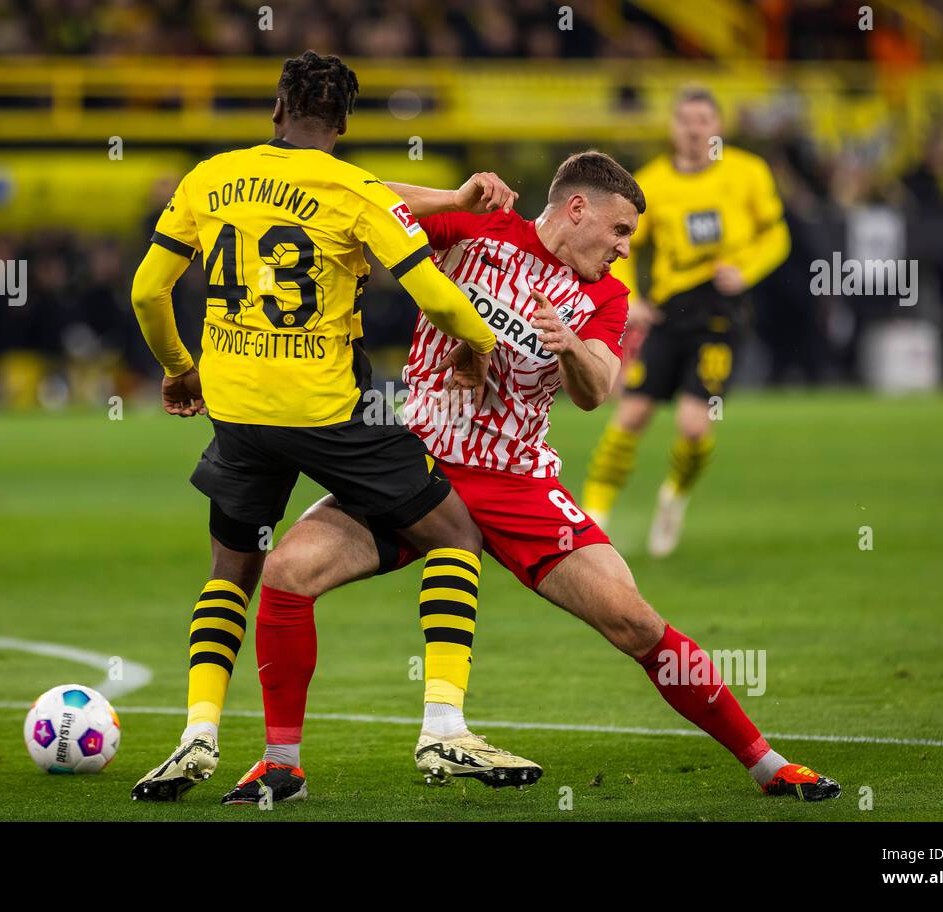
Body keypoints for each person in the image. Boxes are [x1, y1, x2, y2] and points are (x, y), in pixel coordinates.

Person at [228, 151, 839, 805]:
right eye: (620, 231)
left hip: (515, 481)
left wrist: (570, 345)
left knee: (635, 623)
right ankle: (281, 764)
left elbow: (596, 390)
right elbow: (360, 197)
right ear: (577, 209)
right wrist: (452, 196)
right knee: (289, 571)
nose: (623, 250)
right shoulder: (477, 228)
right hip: (416, 468)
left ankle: (767, 763)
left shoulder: (604, 295)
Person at [126, 50, 533, 802]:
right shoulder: (352, 189)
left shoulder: (209, 177)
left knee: (231, 573)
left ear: (277, 109)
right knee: (455, 535)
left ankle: (198, 734)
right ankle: (444, 728)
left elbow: (149, 291)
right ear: (343, 124)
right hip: (326, 411)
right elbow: (437, 297)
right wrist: (479, 346)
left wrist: (180, 367)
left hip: (237, 410)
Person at [582, 88, 790, 556]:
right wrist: (630, 295)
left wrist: (746, 270)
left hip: (721, 312)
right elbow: (624, 242)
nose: (694, 129)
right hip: (670, 311)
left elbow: (776, 234)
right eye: (686, 121)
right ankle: (593, 519)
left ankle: (673, 497)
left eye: (703, 120)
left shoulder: (747, 172)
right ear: (673, 127)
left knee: (695, 426)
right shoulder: (652, 182)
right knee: (631, 414)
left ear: (717, 126)